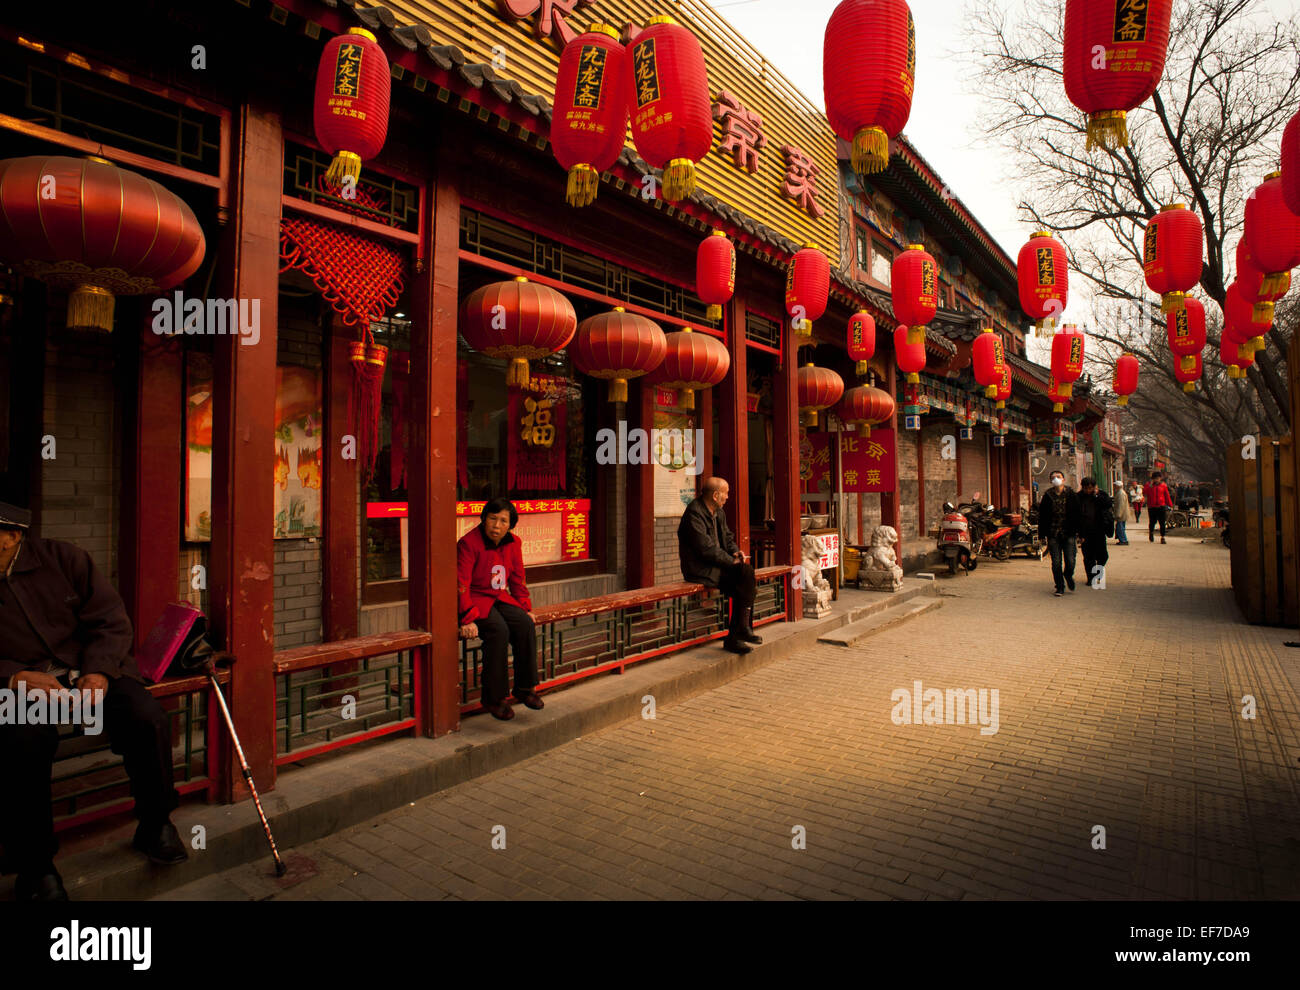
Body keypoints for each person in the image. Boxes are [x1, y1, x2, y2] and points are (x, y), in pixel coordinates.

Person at [0, 502, 187, 902]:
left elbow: (110, 619)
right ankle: (35, 867)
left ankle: (155, 823)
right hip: (21, 687)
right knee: (21, 740)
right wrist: (13, 677)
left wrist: (99, 671)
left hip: (86, 672)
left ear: (12, 536)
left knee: (146, 717)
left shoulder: (64, 559)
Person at [456, 498, 544, 722]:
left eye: (503, 520)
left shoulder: (514, 543)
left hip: (499, 597)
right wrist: (467, 618)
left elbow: (517, 578)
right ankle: (493, 698)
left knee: (524, 624)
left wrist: (526, 607)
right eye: (492, 518)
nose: (496, 525)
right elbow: (461, 583)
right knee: (498, 631)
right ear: (484, 519)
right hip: (475, 599)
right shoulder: (468, 543)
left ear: (510, 524)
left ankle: (525, 689)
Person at [678, 477, 761, 654]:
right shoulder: (694, 513)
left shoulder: (719, 512)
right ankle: (739, 632)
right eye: (726, 493)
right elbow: (705, 549)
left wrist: (736, 552)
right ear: (716, 495)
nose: (728, 497)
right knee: (744, 580)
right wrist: (731, 561)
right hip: (700, 569)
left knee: (746, 576)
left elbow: (728, 538)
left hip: (718, 566)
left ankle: (740, 631)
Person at [1038, 470, 1081, 597]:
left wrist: (1079, 532)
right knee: (1056, 562)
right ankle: (1060, 586)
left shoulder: (1071, 494)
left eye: (1058, 477)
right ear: (1050, 481)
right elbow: (1042, 516)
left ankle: (1068, 575)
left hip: (1069, 533)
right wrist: (1041, 535)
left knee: (1070, 560)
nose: (1056, 479)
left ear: (1063, 479)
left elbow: (1078, 514)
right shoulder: (1048, 496)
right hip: (1053, 533)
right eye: (1053, 477)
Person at [1077, 478, 1114, 585]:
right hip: (1085, 532)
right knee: (1088, 557)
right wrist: (1079, 533)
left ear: (1094, 487)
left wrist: (1096, 495)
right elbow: (1076, 516)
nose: (1087, 490)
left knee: (1103, 555)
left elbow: (1108, 504)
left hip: (1099, 530)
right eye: (1085, 488)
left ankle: (1097, 572)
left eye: (1090, 488)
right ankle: (1091, 578)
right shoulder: (1078, 497)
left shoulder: (1101, 495)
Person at [1143, 471, 1174, 544]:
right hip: (1152, 507)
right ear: (1152, 479)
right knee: (1152, 522)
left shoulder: (1163, 486)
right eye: (1155, 478)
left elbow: (1167, 496)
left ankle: (1162, 537)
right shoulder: (1149, 485)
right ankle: (1151, 533)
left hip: (1161, 506)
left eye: (1158, 478)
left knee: (1162, 522)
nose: (1157, 480)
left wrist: (1170, 505)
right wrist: (1149, 486)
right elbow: (1144, 492)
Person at [1111, 481, 1132, 545]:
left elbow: (1121, 505)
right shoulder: (1120, 493)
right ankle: (1122, 539)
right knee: (1120, 527)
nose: (1114, 487)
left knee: (1120, 528)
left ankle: (1123, 540)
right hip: (1122, 513)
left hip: (1121, 514)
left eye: (1115, 486)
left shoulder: (1120, 494)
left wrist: (1118, 514)